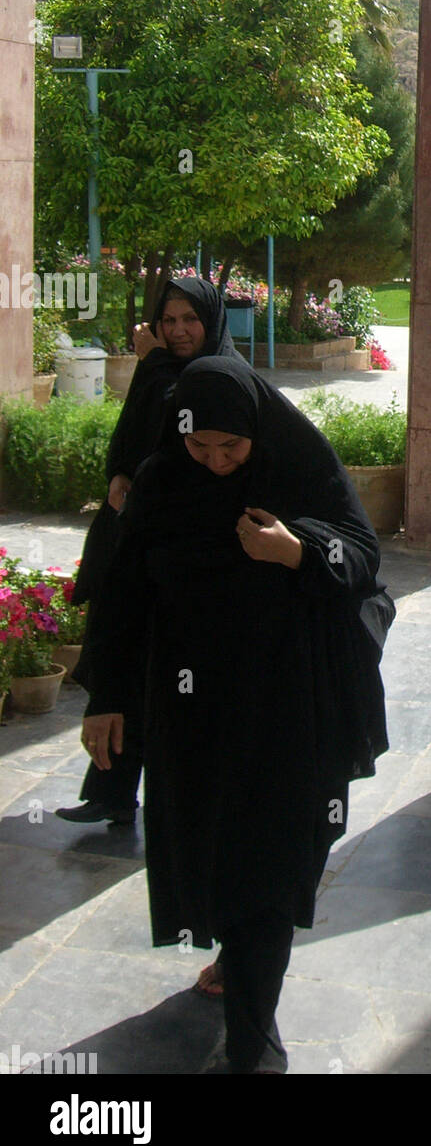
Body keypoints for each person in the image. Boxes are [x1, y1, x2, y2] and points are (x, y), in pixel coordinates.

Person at [79, 358, 394, 1072]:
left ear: (258, 432)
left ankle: (253, 1039)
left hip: (289, 708)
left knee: (274, 865)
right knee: (211, 850)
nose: (216, 463)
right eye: (201, 447)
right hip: (191, 713)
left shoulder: (299, 469)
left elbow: (363, 554)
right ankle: (236, 962)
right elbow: (123, 598)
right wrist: (106, 699)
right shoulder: (161, 484)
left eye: (232, 448)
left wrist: (297, 551)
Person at [58, 277, 245, 827]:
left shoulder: (222, 374)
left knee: (175, 678)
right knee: (123, 662)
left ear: (211, 321)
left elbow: (177, 419)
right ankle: (111, 789)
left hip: (191, 558)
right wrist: (120, 475)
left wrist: (155, 362)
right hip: (138, 544)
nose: (180, 330)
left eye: (190, 319)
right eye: (170, 320)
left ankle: (182, 803)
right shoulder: (158, 368)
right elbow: (131, 437)